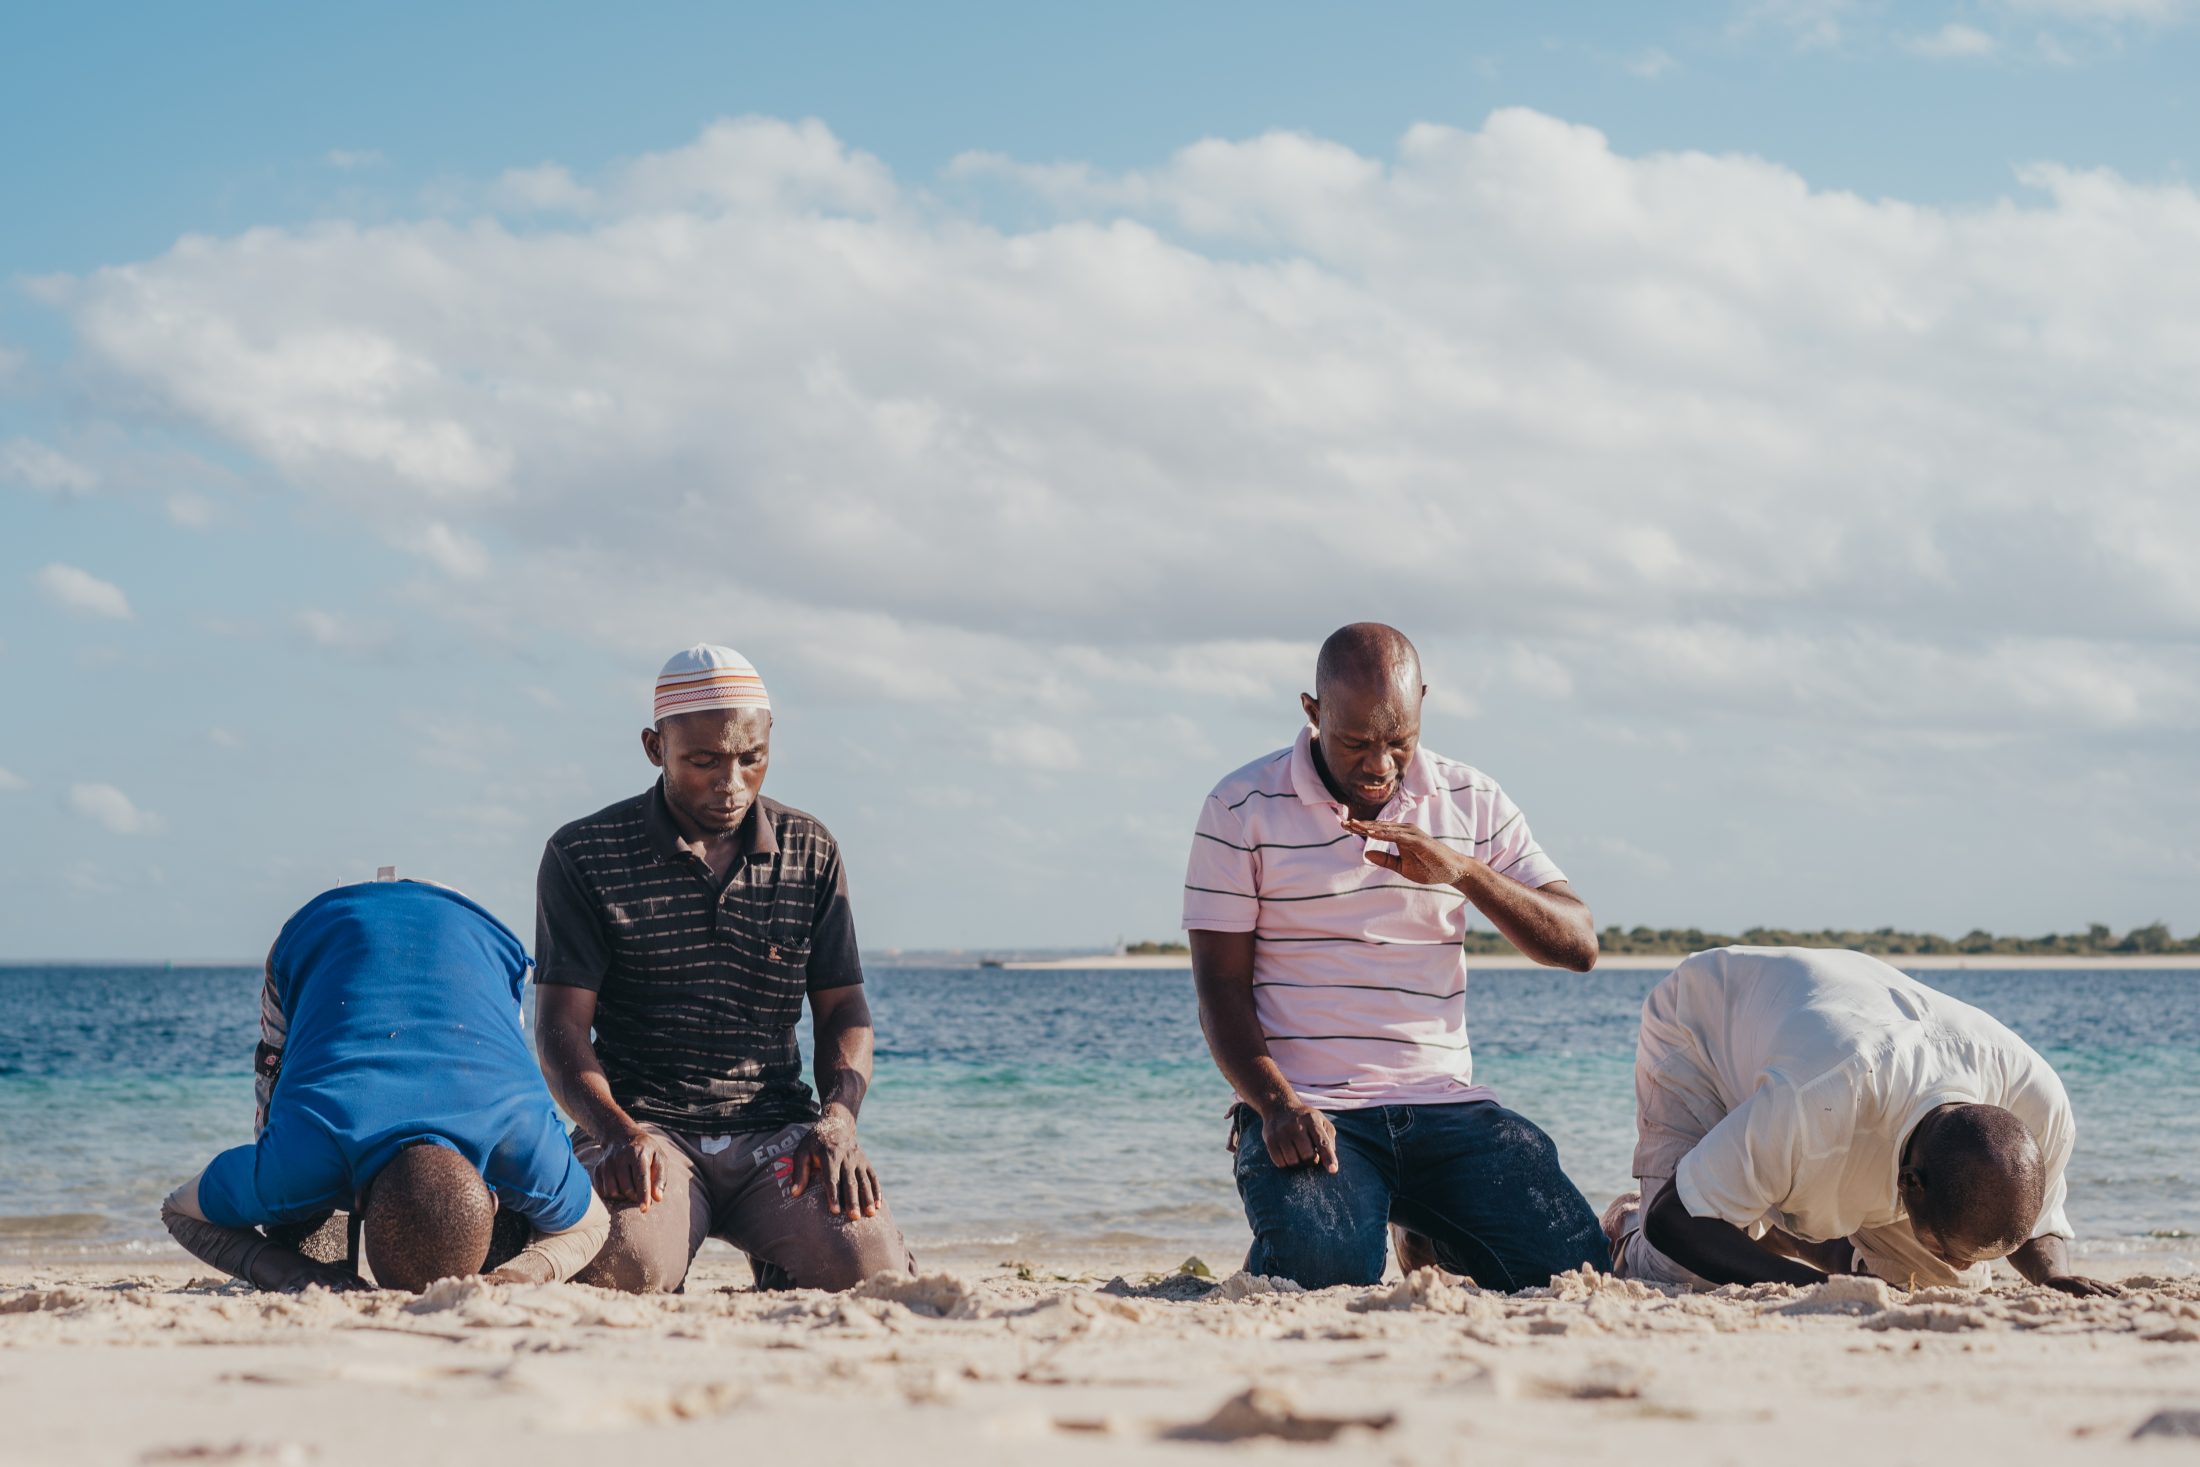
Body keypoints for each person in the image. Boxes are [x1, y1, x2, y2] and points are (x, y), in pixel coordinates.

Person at [1183, 622, 1609, 1291]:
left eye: (1398, 740)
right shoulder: (1240, 807)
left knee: (1574, 1268)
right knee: (1328, 1270)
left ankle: (1425, 1231)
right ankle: (1330, 1225)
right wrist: (1274, 1105)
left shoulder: (1471, 798)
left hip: (1447, 1110)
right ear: (1313, 711)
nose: (1380, 764)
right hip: (1314, 1112)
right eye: (1356, 742)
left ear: (1422, 706)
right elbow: (1219, 989)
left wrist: (1463, 871)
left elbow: (1579, 944)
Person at [533, 644, 912, 1293]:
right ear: (656, 747)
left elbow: (845, 1009)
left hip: (776, 1135)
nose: (730, 781)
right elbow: (560, 1030)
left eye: (750, 758)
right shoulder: (584, 854)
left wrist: (839, 1118)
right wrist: (614, 1131)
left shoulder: (809, 849)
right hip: (645, 1131)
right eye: (704, 760)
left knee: (868, 1272)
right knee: (626, 1270)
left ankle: (780, 1254)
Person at [161, 878, 610, 1292]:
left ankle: (309, 1211)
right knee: (290, 1175)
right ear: (492, 1198)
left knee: (300, 1188)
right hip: (326, 933)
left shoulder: (525, 1140)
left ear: (361, 1202)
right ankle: (307, 1214)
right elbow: (594, 1226)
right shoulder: (297, 1156)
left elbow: (176, 1210)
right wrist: (286, 1265)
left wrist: (284, 1271)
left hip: (478, 939)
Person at [1606, 945, 2121, 1296]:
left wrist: (2052, 1278)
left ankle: (1767, 1224)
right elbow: (1676, 1219)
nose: (1968, 1262)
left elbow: (2039, 1227)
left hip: (1828, 1039)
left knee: (1941, 1285)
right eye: (1954, 1247)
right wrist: (1818, 1289)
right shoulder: (1817, 1099)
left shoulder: (2039, 1104)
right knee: (1679, 1273)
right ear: (1910, 1186)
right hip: (1701, 1027)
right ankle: (1625, 1220)